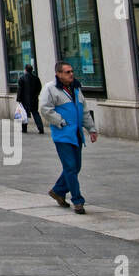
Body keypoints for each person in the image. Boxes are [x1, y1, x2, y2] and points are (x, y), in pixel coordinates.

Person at [39, 60, 98, 214]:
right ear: (58, 74)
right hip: (63, 134)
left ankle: (58, 190)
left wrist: (91, 129)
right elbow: (45, 109)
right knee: (71, 168)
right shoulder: (50, 89)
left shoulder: (76, 89)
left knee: (76, 167)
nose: (71, 74)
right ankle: (78, 201)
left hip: (77, 134)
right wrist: (61, 122)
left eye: (72, 71)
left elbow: (84, 111)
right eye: (67, 72)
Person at [16, 63, 44, 134]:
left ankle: (24, 129)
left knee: (24, 114)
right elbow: (39, 88)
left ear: (25, 70)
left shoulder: (22, 78)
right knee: (35, 113)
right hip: (34, 99)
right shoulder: (36, 78)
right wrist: (36, 95)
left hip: (24, 100)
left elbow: (19, 89)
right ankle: (40, 128)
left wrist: (18, 99)